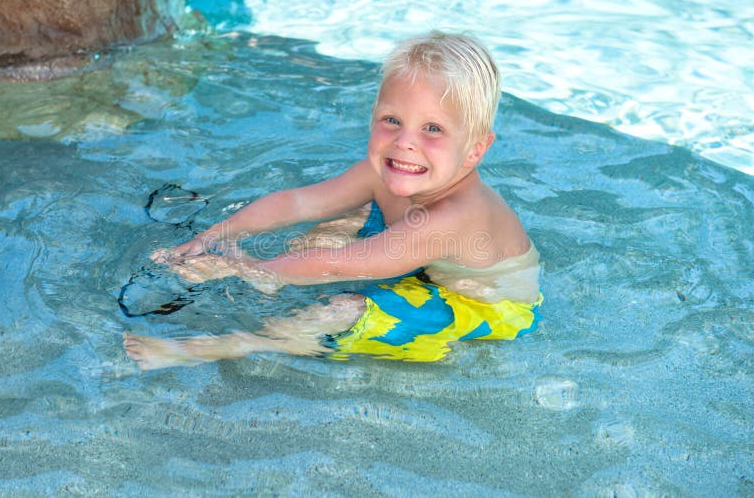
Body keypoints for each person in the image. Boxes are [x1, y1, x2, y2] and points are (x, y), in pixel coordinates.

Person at [123, 30, 542, 370]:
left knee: (342, 309)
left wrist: (246, 268)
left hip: (482, 305)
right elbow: (299, 203)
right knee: (339, 221)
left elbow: (342, 265)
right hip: (416, 255)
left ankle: (223, 346)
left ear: (474, 150)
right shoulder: (388, 171)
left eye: (433, 129)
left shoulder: (453, 216)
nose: (405, 143)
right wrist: (218, 233)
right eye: (392, 120)